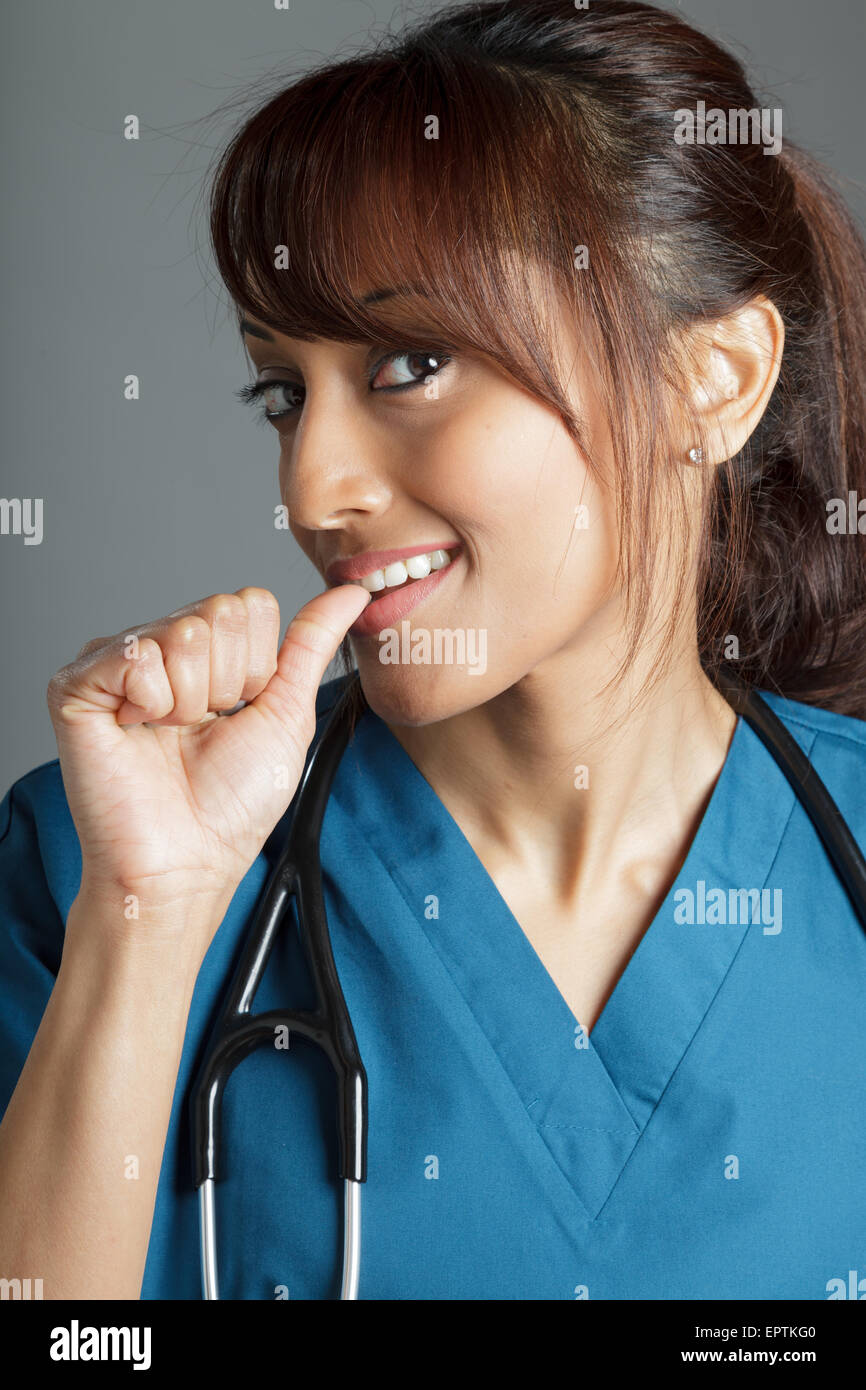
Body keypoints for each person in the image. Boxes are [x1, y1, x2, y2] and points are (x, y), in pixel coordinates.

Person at [2, 0, 866, 1301]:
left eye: (411, 362)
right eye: (284, 392)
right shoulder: (95, 867)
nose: (312, 487)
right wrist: (150, 918)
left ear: (714, 379)